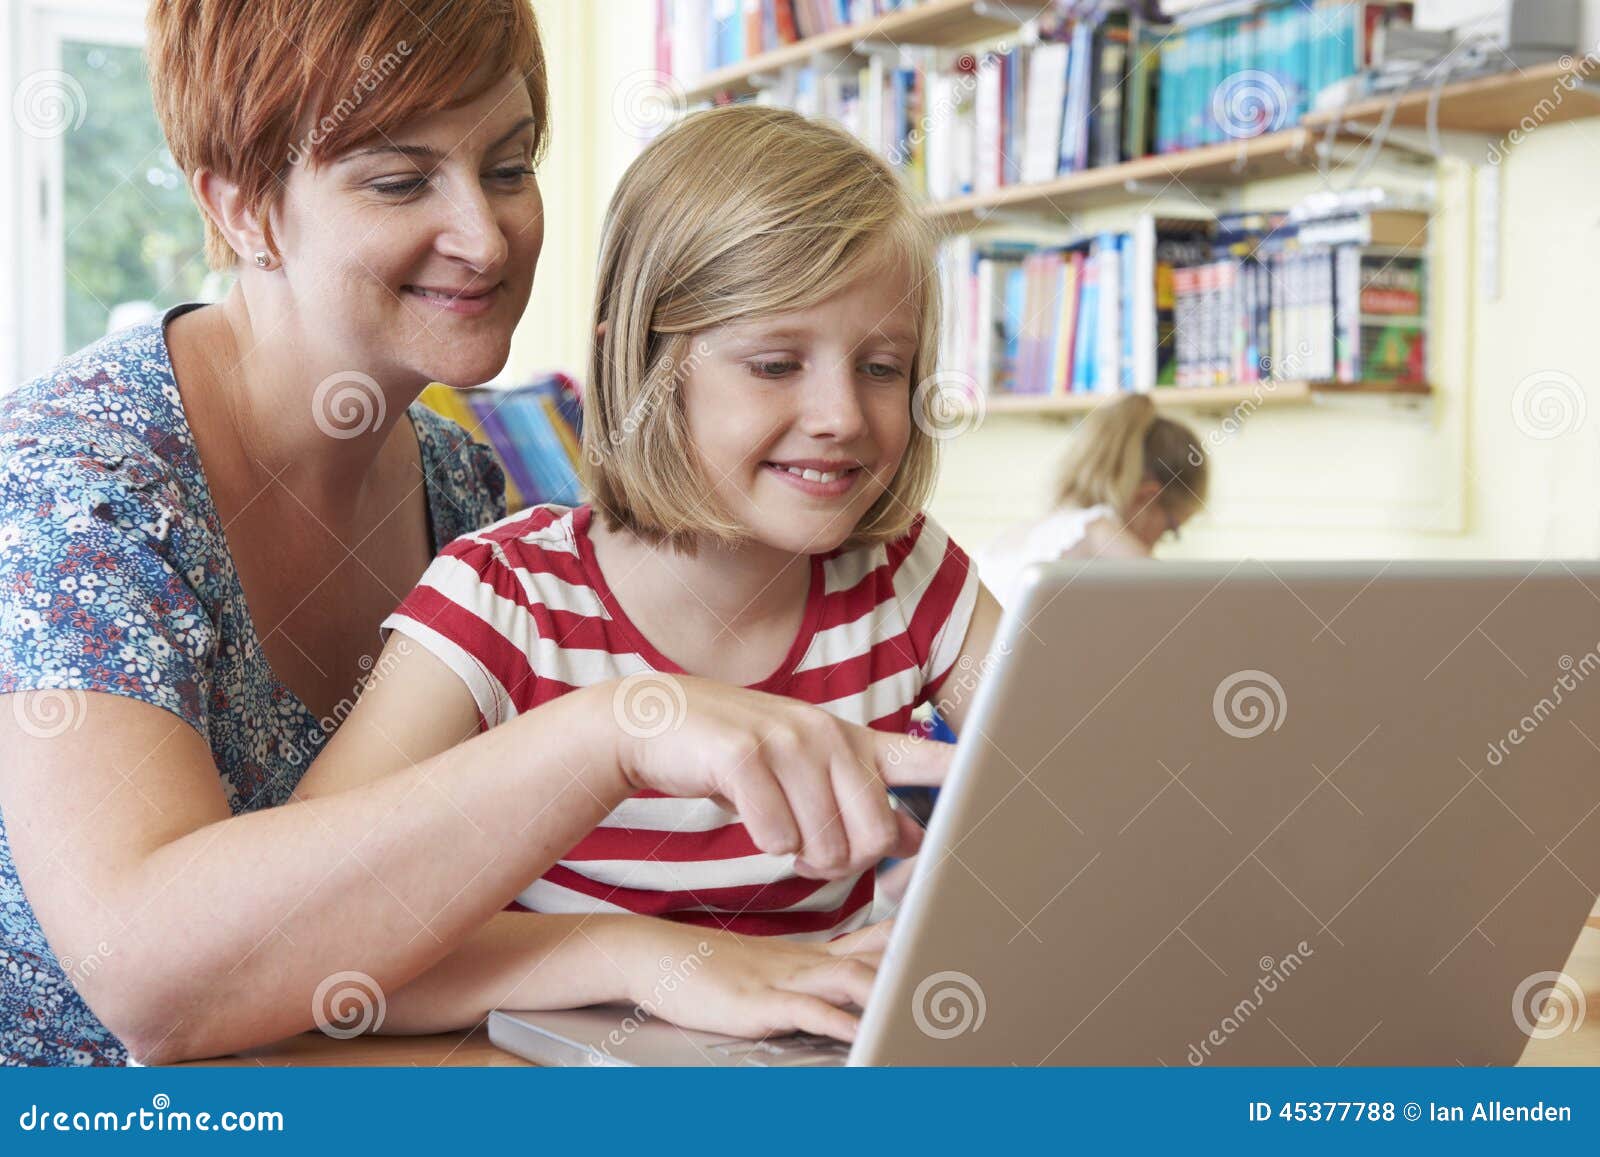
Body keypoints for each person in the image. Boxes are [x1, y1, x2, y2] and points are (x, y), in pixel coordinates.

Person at [0, 1, 950, 1067]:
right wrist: (616, 748)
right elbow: (152, 989)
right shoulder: (76, 485)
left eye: (507, 168)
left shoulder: (458, 479)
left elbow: (441, 910)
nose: (486, 238)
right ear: (242, 207)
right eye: (400, 181)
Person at [299, 103, 1005, 1026]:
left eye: (881, 367)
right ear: (641, 366)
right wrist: (647, 960)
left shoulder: (908, 573)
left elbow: (1086, 797)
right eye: (774, 363)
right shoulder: (506, 600)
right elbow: (305, 935)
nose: (842, 415)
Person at [976, 394, 1209, 606]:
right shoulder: (1097, 529)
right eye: (1170, 529)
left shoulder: (1017, 535)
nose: (1156, 546)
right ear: (1146, 497)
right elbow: (1182, 604)